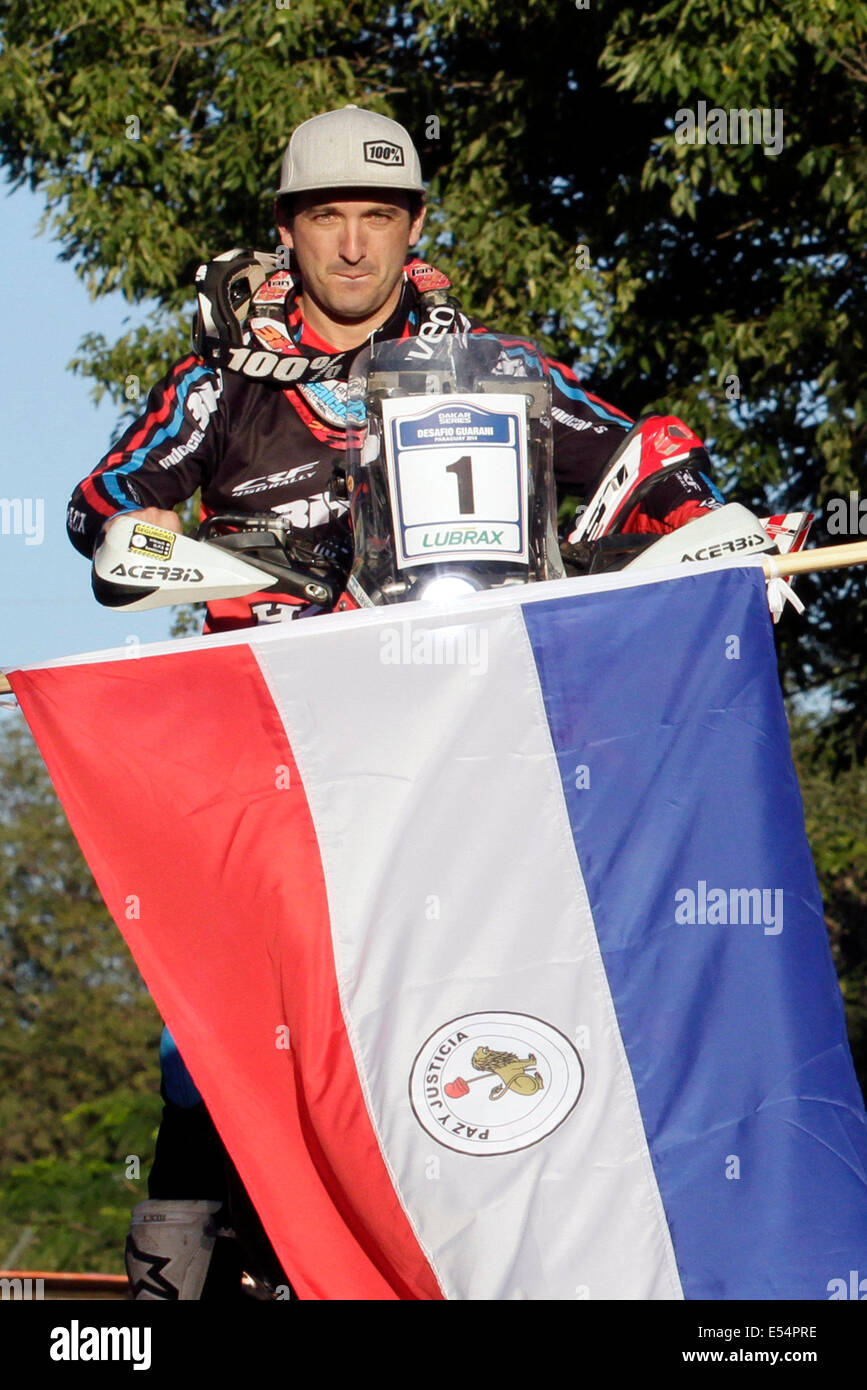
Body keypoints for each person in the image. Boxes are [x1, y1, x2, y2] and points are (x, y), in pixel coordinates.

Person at [67, 105, 721, 1298]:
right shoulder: (224, 386)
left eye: (379, 216)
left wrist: (704, 527)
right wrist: (162, 534)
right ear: (289, 230)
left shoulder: (497, 371)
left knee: (491, 1014)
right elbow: (103, 509)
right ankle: (178, 1275)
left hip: (460, 768)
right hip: (279, 770)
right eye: (328, 218)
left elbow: (649, 457)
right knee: (219, 1037)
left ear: (414, 226)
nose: (354, 245)